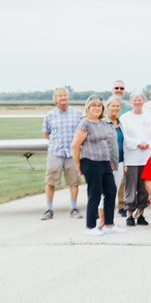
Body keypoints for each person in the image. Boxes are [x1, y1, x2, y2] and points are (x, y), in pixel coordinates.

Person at [72, 96, 124, 236]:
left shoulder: (102, 123)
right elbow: (75, 145)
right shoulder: (85, 124)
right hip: (90, 162)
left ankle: (109, 224)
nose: (96, 108)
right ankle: (90, 226)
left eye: (99, 106)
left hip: (105, 162)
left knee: (111, 191)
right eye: (93, 105)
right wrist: (78, 164)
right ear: (88, 108)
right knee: (94, 193)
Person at [42, 87, 83, 220]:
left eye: (65, 96)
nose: (63, 98)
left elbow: (83, 132)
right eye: (60, 96)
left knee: (74, 182)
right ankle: (49, 209)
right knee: (51, 181)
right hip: (56, 152)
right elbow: (46, 134)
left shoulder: (78, 113)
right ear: (55, 99)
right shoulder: (49, 115)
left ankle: (74, 208)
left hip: (72, 153)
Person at [120, 93, 151, 226]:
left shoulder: (149, 117)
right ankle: (129, 215)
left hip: (147, 158)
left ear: (144, 101)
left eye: (140, 100)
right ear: (131, 102)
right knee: (130, 187)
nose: (138, 102)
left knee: (144, 188)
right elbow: (125, 138)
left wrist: (148, 144)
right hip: (132, 158)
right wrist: (138, 143)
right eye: (135, 100)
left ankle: (141, 214)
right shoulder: (125, 118)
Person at [106, 97, 127, 217]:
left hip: (120, 159)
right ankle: (103, 209)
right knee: (106, 186)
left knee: (119, 185)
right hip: (107, 161)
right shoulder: (103, 122)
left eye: (117, 106)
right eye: (113, 106)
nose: (115, 108)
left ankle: (121, 206)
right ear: (107, 107)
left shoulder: (121, 123)